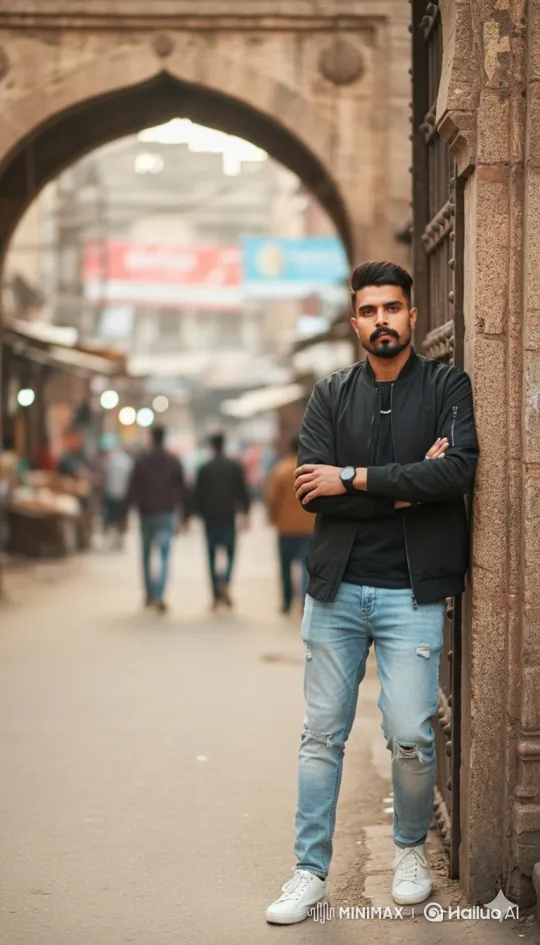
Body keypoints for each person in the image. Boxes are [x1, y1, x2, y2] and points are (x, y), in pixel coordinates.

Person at [265, 260, 479, 924]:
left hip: (409, 593)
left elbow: (457, 473)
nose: (381, 319)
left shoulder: (448, 384)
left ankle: (410, 851)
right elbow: (310, 490)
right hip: (336, 590)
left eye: (392, 307)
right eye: (368, 309)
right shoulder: (330, 394)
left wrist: (352, 479)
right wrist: (406, 485)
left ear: (412, 316)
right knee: (321, 734)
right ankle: (309, 871)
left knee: (412, 735)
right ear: (354, 320)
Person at [127, 426, 189, 613]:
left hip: (146, 513)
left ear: (152, 438)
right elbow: (183, 488)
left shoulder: (142, 461)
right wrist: (186, 514)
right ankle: (159, 594)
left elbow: (132, 488)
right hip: (166, 513)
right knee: (163, 554)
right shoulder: (173, 461)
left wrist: (124, 514)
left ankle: (149, 593)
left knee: (146, 554)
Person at [193, 433, 250, 610]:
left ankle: (215, 593)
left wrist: (198, 513)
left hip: (210, 518)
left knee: (211, 554)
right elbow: (242, 491)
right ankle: (225, 582)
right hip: (228, 516)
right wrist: (245, 513)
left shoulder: (204, 468)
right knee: (230, 552)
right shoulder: (234, 466)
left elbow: (197, 494)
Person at [265, 435, 314, 614]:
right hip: (309, 527)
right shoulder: (311, 470)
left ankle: (286, 601)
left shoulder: (280, 470)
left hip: (285, 527)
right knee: (306, 568)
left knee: (285, 566)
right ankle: (303, 603)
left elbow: (272, 499)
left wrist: (272, 518)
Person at [102, 440, 133, 550]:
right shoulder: (127, 462)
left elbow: (105, 478)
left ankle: (115, 540)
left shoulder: (110, 461)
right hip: (122, 495)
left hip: (113, 494)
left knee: (113, 518)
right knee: (120, 518)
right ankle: (119, 541)